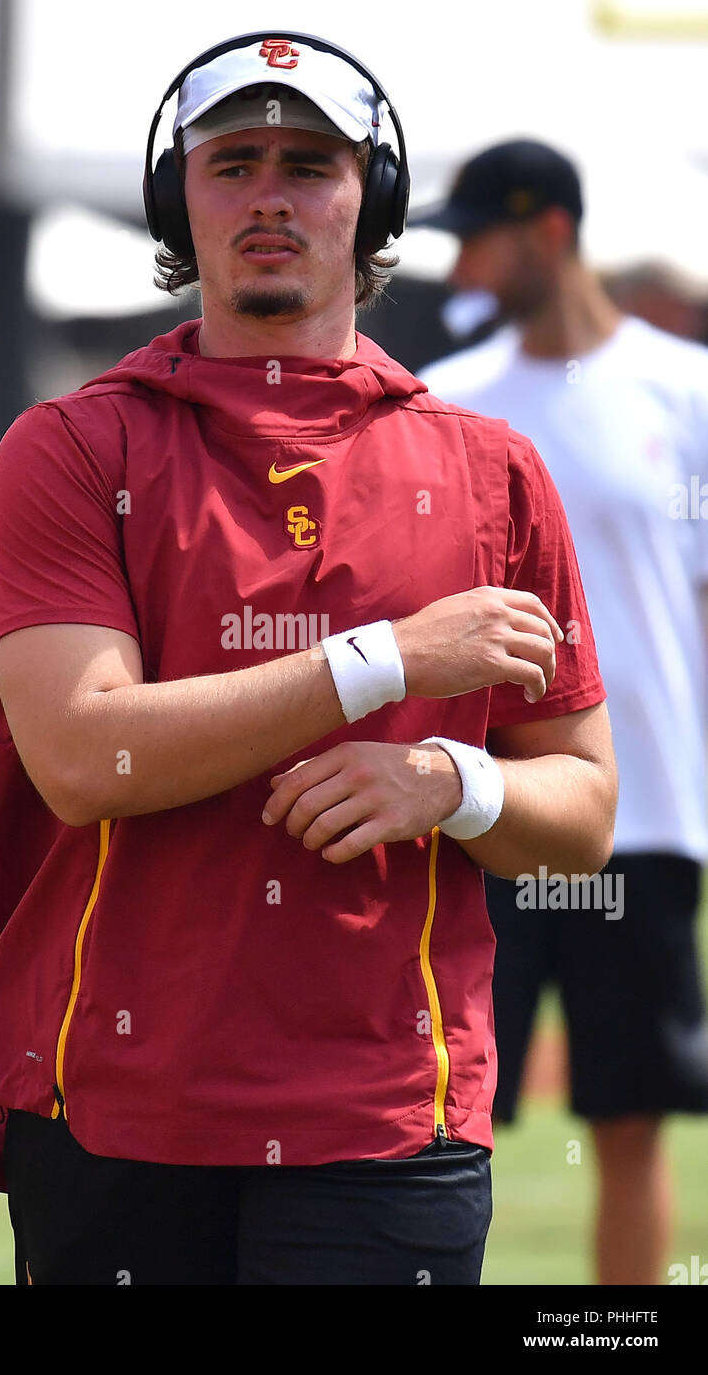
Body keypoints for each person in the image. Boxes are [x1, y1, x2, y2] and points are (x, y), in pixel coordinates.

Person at [0, 39, 616, 1287]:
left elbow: (579, 813)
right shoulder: (73, 448)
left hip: (388, 1116)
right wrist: (386, 661)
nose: (269, 196)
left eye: (310, 165)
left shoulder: (492, 468)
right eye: (230, 163)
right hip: (117, 1105)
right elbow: (88, 754)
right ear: (174, 202)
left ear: (375, 203)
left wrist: (453, 786)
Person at [416, 137, 708, 1286]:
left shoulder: (684, 389)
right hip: (492, 807)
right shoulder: (447, 402)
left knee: (630, 1118)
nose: (460, 268)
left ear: (547, 233)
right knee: (437, 1110)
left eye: (478, 239)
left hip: (641, 817)